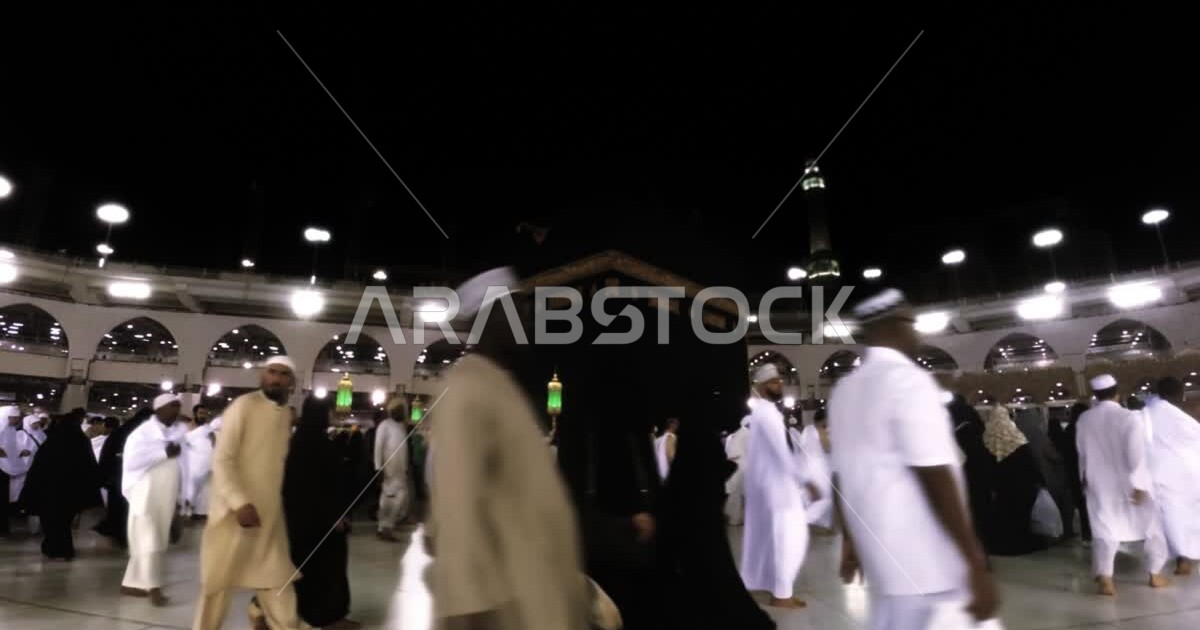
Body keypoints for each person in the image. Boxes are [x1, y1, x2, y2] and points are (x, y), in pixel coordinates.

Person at [430, 266, 587, 630]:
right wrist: (466, 599)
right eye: (516, 308)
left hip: (524, 584)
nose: (527, 317)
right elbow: (456, 499)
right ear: (488, 318)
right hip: (497, 598)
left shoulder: (498, 383)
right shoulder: (466, 387)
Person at [830, 289, 997, 629]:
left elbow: (841, 476)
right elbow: (935, 474)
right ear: (896, 325)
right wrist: (973, 561)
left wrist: (850, 539)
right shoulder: (909, 381)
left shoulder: (844, 391)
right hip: (931, 564)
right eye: (912, 323)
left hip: (884, 562)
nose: (916, 332)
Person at [193, 355, 306, 630]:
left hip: (268, 516)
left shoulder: (284, 416)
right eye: (271, 372)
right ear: (262, 376)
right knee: (218, 585)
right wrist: (239, 502)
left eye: (282, 374)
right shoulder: (244, 406)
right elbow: (223, 459)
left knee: (277, 578)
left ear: (291, 382)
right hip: (234, 515)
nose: (275, 378)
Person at [657, 411, 775, 630]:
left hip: (691, 516)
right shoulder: (703, 439)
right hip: (704, 516)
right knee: (716, 573)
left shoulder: (686, 445)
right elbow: (715, 467)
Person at [1076, 373, 1169, 596]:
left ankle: (1106, 579)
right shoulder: (1129, 417)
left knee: (1105, 530)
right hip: (1130, 484)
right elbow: (1136, 454)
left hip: (1099, 483)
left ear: (1096, 396)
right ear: (1118, 393)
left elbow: (1082, 454)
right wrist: (1139, 484)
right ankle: (1155, 574)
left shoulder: (1085, 419)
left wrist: (1084, 478)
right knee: (1152, 528)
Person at [740, 363, 816, 609]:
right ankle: (782, 595)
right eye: (773, 382)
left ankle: (771, 587)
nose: (779, 384)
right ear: (762, 386)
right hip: (778, 487)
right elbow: (780, 453)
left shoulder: (761, 412)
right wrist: (804, 479)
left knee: (771, 539)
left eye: (780, 380)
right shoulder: (768, 413)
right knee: (790, 538)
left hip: (767, 486)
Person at [284, 396, 359, 629]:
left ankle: (306, 612)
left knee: (304, 567)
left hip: (300, 522)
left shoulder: (298, 441)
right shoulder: (316, 444)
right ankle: (327, 617)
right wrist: (334, 516)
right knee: (326, 569)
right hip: (321, 523)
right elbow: (319, 486)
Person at [121, 394, 187, 606]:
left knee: (155, 538)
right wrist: (162, 452)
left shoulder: (176, 433)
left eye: (178, 406)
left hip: (165, 495)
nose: (176, 411)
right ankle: (153, 586)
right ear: (158, 409)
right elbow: (131, 461)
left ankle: (132, 583)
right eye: (171, 406)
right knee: (149, 539)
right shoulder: (141, 434)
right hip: (145, 493)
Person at [19, 414, 102, 560]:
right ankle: (65, 549)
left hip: (49, 491)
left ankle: (51, 547)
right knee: (65, 522)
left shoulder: (51, 442)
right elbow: (90, 466)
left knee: (50, 520)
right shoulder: (81, 441)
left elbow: (38, 468)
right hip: (71, 492)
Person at [1144, 376, 1200, 576]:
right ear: (1180, 394)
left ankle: (1162, 564)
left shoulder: (1146, 415)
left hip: (1156, 476)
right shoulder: (1185, 418)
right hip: (1186, 477)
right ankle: (1184, 558)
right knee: (1186, 518)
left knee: (1162, 521)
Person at [981, 405, 1046, 555]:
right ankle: (1020, 543)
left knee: (1004, 516)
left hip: (1001, 488)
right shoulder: (1016, 438)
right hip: (1022, 487)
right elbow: (1030, 462)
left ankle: (1003, 544)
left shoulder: (986, 439)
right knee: (1020, 518)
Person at [94, 408, 152, 547]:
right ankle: (126, 535)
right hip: (129, 478)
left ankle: (120, 533)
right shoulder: (138, 433)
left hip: (117, 479)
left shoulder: (121, 432)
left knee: (119, 507)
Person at [1049, 403, 1091, 541]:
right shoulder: (1085, 431)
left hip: (1072, 474)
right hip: (1087, 473)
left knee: (1081, 506)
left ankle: (1086, 535)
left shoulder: (1067, 431)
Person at [374, 399, 410, 542]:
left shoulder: (401, 427)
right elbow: (378, 447)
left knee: (400, 498)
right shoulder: (384, 425)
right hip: (388, 470)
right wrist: (378, 467)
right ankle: (384, 527)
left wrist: (406, 467)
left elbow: (404, 450)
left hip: (400, 470)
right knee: (388, 499)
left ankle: (386, 526)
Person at [0, 406, 35, 536]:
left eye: (17, 418)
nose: (16, 420)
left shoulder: (11, 430)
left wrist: (19, 452)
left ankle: (3, 528)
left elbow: (11, 448)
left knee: (3, 498)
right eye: (14, 418)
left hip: (4, 468)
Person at [183, 405, 215, 521]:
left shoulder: (208, 428)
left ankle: (200, 512)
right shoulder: (186, 428)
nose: (203, 416)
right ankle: (188, 512)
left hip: (206, 463)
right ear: (195, 414)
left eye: (205, 413)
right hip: (192, 464)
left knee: (205, 490)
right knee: (191, 489)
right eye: (201, 413)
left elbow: (214, 443)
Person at [723, 415, 750, 525]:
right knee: (735, 492)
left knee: (737, 492)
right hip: (738, 465)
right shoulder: (737, 434)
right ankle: (735, 517)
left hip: (741, 465)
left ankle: (735, 518)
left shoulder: (745, 433)